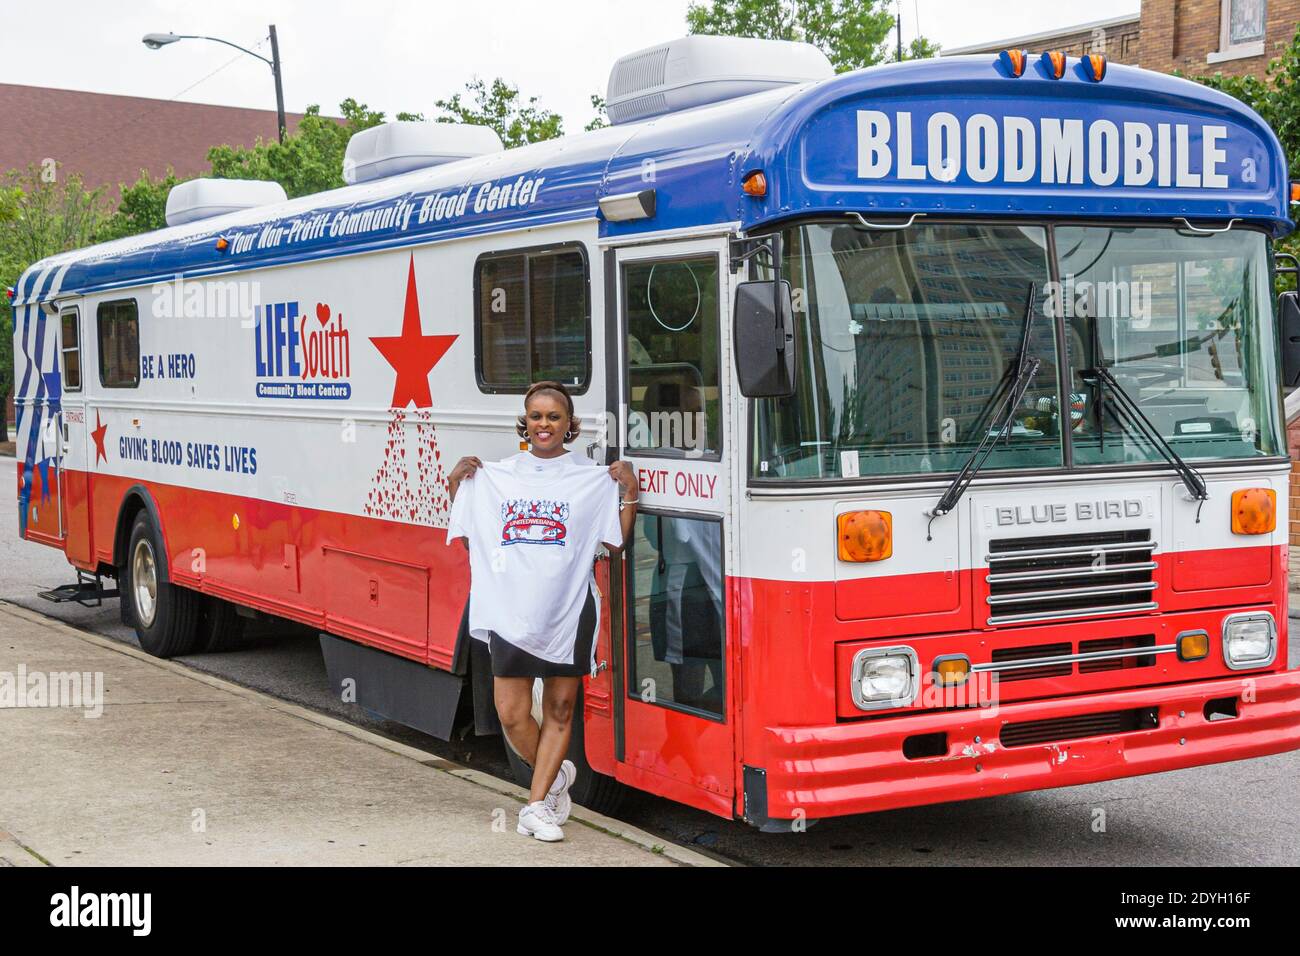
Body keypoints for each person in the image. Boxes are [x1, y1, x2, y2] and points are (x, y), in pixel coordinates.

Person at [446, 381, 637, 842]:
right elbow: (475, 540)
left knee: (560, 707)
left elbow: (614, 543)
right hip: (513, 612)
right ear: (524, 422)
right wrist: (456, 485)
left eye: (554, 417)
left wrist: (627, 493)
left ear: (569, 425)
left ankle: (536, 807)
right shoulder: (499, 473)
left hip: (568, 610)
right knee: (511, 711)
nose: (544, 424)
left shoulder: (590, 477)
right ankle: (555, 779)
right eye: (536, 416)